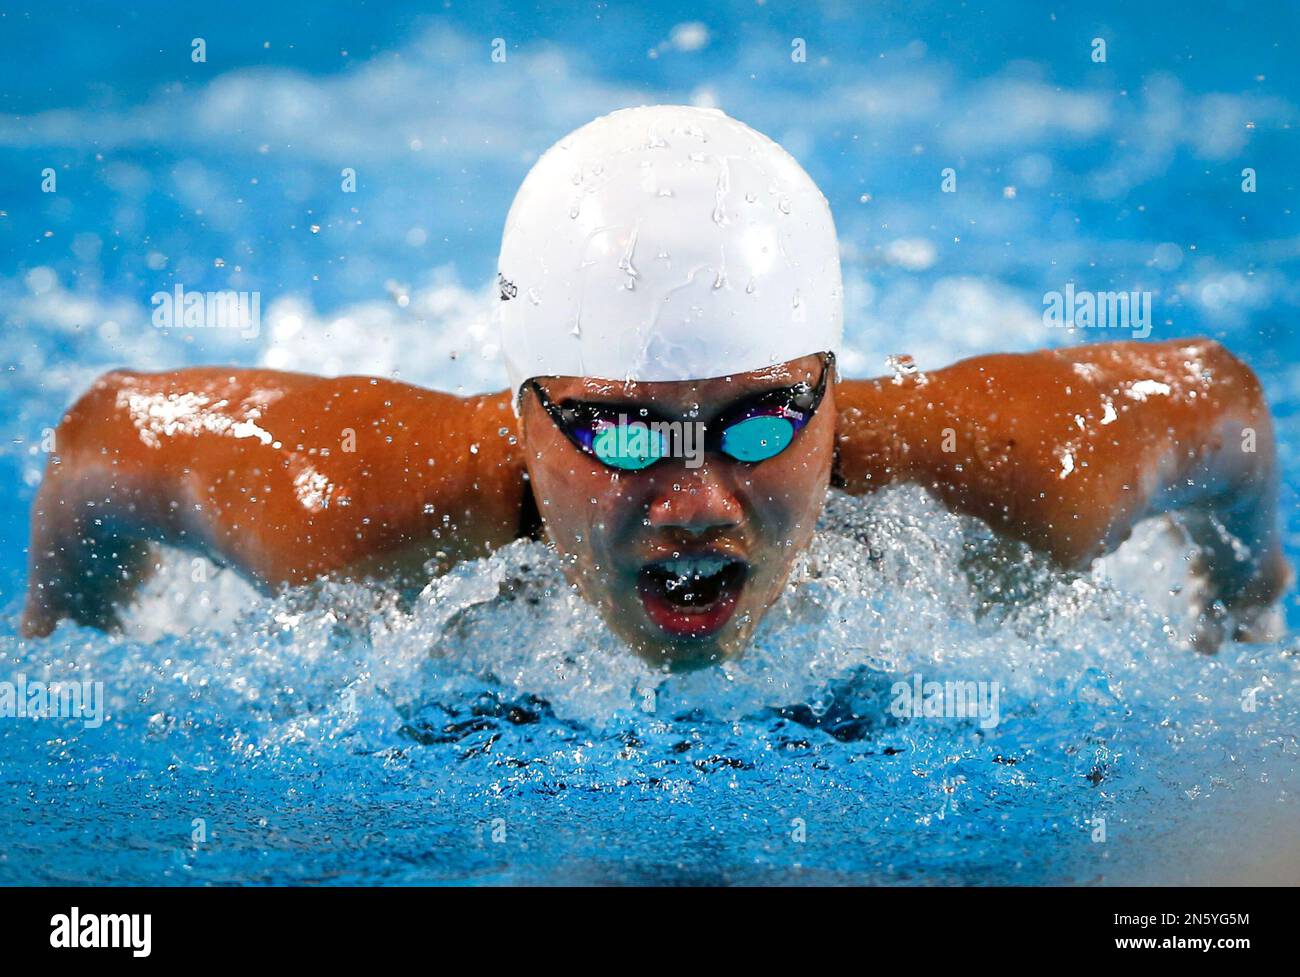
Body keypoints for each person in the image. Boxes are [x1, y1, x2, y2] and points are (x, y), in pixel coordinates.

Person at [20, 105, 1289, 666]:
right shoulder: (345, 504)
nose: (695, 499)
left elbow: (1223, 403)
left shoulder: (1028, 480)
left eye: (759, 418)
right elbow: (96, 440)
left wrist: (1237, 618)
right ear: (520, 414)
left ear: (834, 392)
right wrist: (64, 644)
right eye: (622, 431)